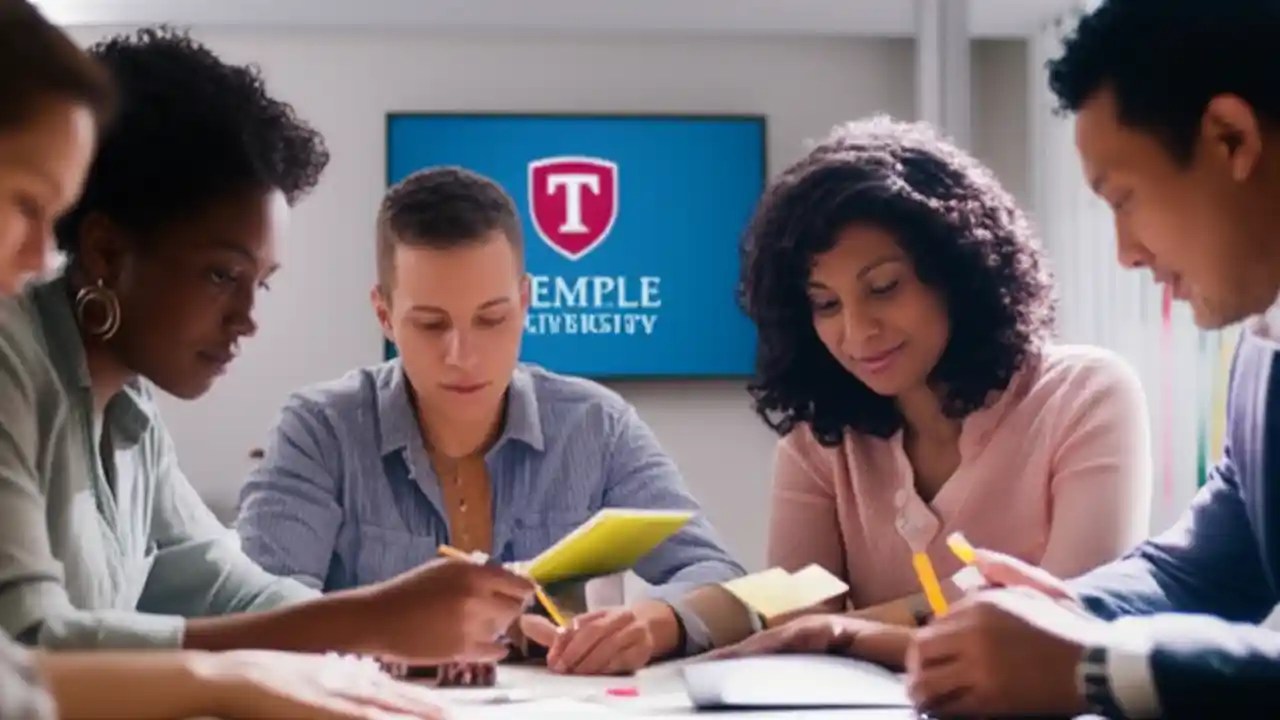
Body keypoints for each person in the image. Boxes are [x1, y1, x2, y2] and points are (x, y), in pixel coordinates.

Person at [796, 2, 1280, 718]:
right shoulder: (1263, 348)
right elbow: (1207, 562)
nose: (1126, 252)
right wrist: (1057, 609)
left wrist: (1098, 666)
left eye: (1125, 199)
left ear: (1229, 138)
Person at [0, 23, 535, 669]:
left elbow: (229, 590)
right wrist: (370, 622)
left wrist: (389, 633)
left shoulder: (130, 410)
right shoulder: (13, 362)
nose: (248, 319)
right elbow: (25, 645)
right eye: (223, 275)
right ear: (106, 252)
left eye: (262, 283)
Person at [237, 165, 747, 676]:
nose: (463, 355)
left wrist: (653, 623)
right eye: (432, 324)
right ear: (384, 314)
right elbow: (253, 611)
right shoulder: (318, 430)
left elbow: (720, 576)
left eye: (492, 319)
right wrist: (397, 637)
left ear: (525, 302)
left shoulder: (597, 425)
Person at [705, 116, 1152, 667]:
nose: (857, 331)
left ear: (959, 272)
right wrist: (676, 621)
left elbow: (1067, 620)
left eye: (884, 288)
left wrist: (848, 634)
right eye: (826, 304)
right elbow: (796, 614)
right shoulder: (818, 439)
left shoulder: (1085, 396)